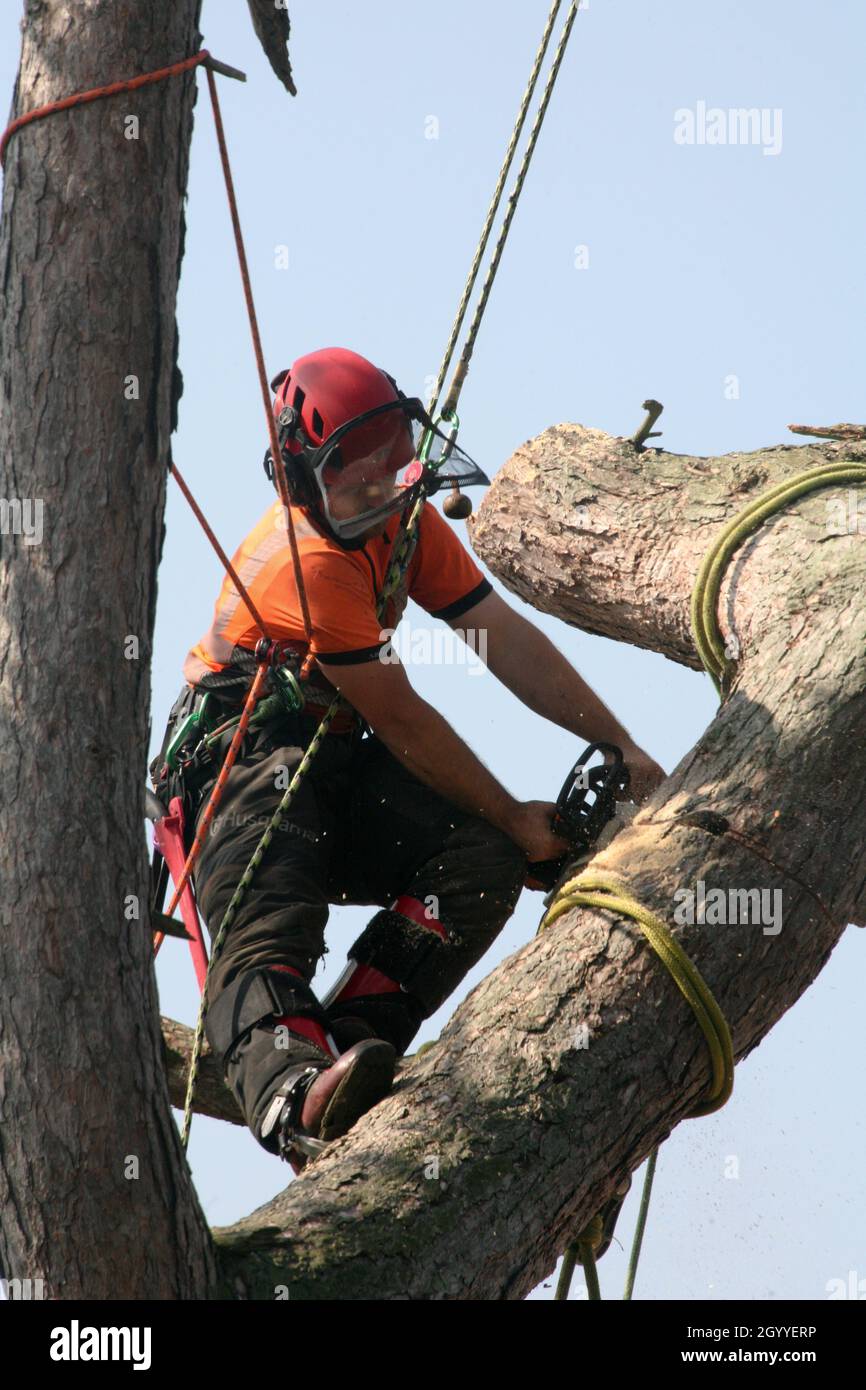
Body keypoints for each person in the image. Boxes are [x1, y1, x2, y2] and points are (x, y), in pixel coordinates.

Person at [150, 346, 665, 1173]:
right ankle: (294, 1095)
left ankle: (355, 1042)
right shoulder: (308, 557)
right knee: (271, 924)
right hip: (239, 764)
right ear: (301, 479)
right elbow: (403, 719)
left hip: (336, 754)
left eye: (386, 473)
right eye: (353, 485)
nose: (376, 497)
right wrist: (516, 812)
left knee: (476, 858)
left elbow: (503, 639)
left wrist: (618, 746)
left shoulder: (401, 524)